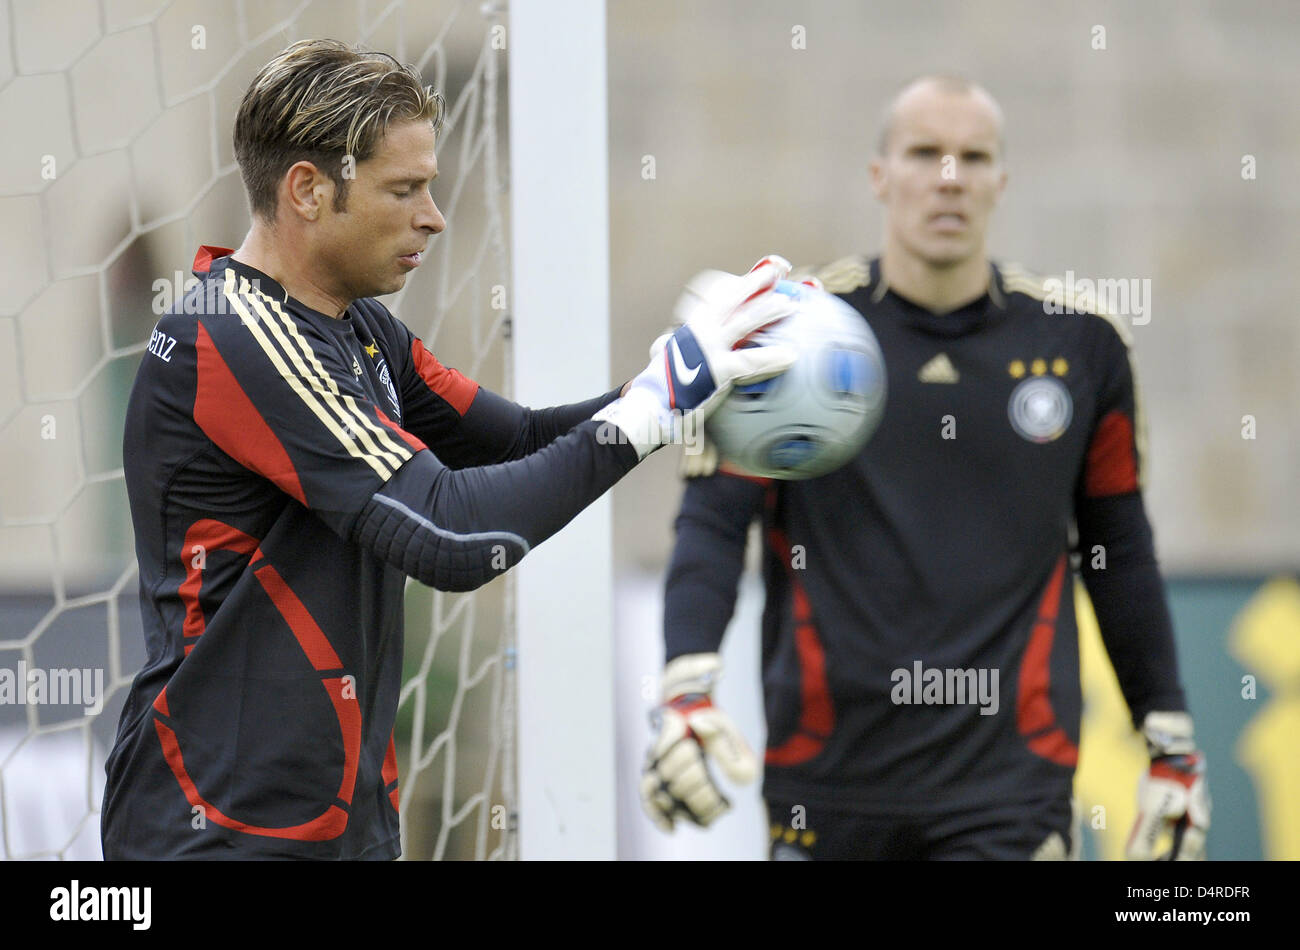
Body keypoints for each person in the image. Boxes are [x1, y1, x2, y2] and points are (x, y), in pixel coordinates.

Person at [102, 38, 795, 860]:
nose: (433, 214)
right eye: (406, 188)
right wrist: (656, 404)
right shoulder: (234, 337)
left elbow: (525, 442)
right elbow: (452, 536)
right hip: (214, 826)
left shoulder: (357, 329)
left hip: (331, 824)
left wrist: (680, 384)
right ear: (308, 190)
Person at [640, 75, 1211, 860]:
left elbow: (1121, 553)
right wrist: (684, 688)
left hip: (1011, 786)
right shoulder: (790, 332)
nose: (949, 176)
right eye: (925, 153)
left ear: (1001, 182)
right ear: (880, 175)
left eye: (973, 157)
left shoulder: (1083, 345)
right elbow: (712, 519)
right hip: (826, 781)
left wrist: (1170, 741)